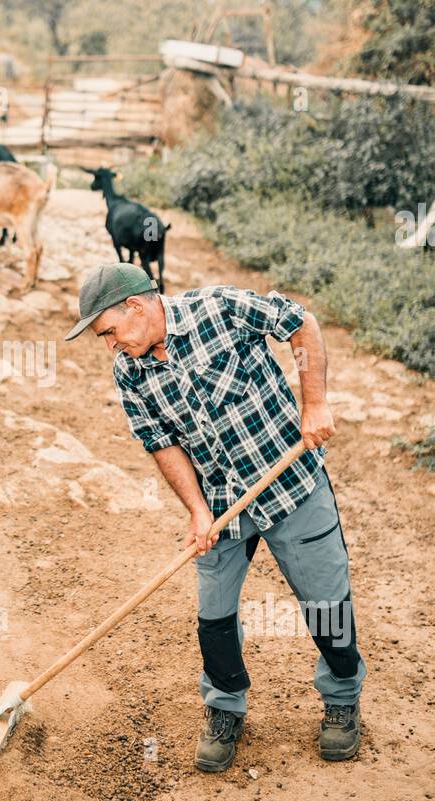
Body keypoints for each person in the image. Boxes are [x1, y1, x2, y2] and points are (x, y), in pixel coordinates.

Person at [65, 263, 365, 771]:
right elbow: (160, 442)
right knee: (214, 616)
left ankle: (341, 698)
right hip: (223, 503)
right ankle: (225, 708)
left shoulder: (220, 308)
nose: (110, 346)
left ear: (135, 307)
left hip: (291, 484)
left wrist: (314, 404)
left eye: (110, 332)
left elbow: (300, 323)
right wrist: (199, 512)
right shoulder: (129, 371)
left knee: (325, 600)